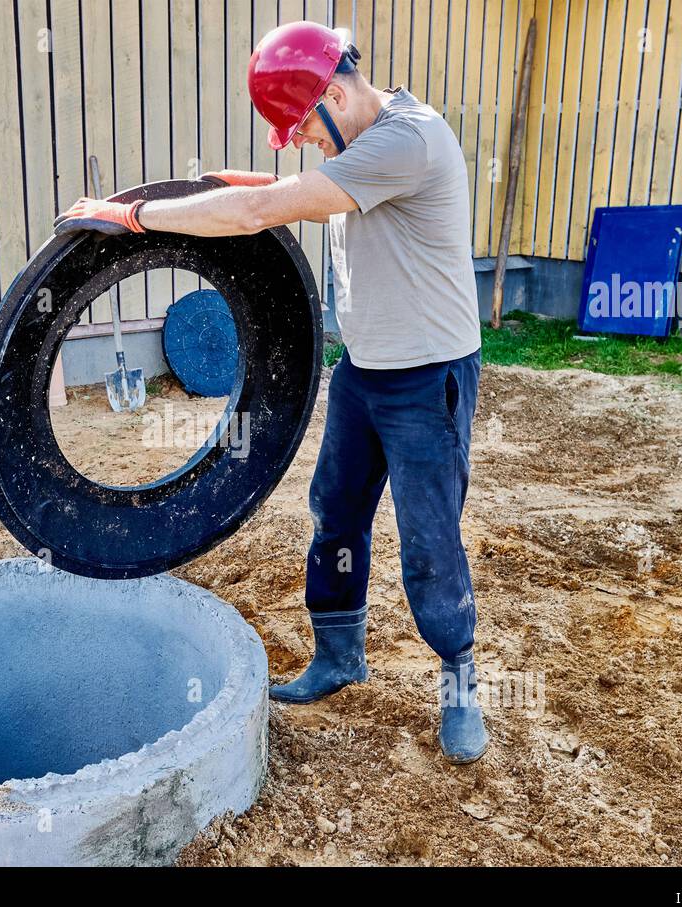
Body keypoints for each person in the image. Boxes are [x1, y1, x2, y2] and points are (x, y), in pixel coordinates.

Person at [54, 20, 487, 764]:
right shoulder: (362, 144)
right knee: (336, 510)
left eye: (308, 130)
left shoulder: (408, 140)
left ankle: (459, 680)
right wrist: (222, 185)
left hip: (427, 375)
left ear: (337, 92)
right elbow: (295, 196)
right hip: (365, 371)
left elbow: (265, 212)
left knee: (429, 535)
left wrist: (133, 218)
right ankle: (341, 655)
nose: (312, 144)